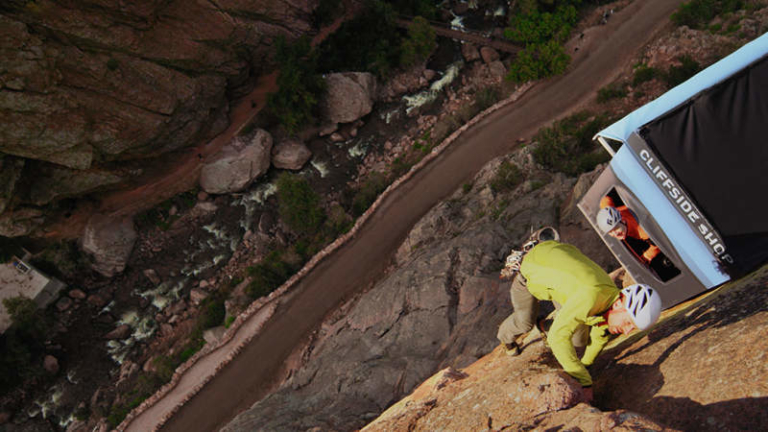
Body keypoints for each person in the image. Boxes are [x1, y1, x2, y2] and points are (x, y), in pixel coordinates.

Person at [497, 236, 662, 400]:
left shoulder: (610, 297)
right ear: (619, 305)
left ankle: (543, 325)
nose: (626, 332)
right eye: (628, 323)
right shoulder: (590, 297)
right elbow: (557, 338)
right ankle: (506, 339)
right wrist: (584, 382)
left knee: (579, 340)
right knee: (524, 322)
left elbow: (601, 333)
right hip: (529, 274)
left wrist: (586, 364)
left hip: (557, 274)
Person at [597, 196, 660, 264]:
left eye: (616, 228)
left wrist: (647, 256)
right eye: (610, 232)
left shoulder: (643, 232)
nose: (615, 234)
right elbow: (605, 199)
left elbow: (658, 244)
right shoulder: (609, 212)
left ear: (623, 220)